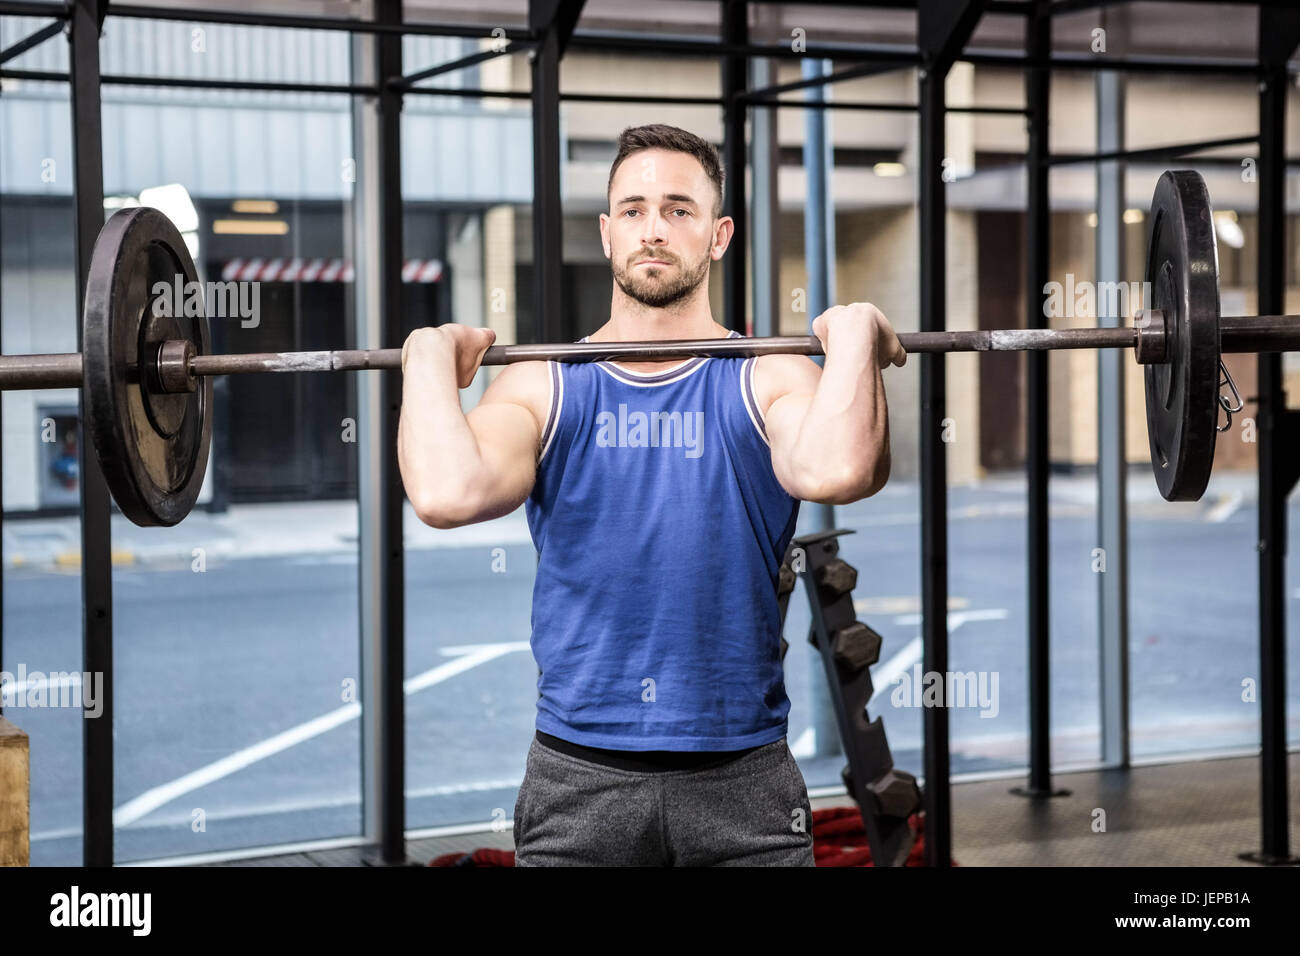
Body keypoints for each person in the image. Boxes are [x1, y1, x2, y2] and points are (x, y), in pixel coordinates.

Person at [398, 123, 905, 867]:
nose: (654, 230)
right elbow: (445, 493)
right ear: (607, 234)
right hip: (578, 782)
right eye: (632, 211)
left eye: (678, 209)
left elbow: (838, 472)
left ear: (719, 233)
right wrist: (424, 358)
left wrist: (855, 336)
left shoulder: (765, 373)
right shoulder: (546, 382)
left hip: (745, 780)